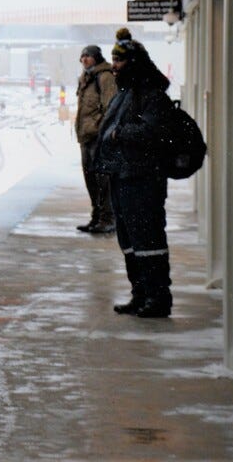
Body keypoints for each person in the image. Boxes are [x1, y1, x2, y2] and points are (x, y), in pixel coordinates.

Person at [93, 28, 174, 318]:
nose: (114, 65)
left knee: (148, 240)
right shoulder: (125, 94)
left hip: (143, 179)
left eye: (119, 60)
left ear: (134, 62)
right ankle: (140, 294)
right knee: (129, 241)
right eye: (113, 59)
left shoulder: (151, 95)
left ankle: (157, 298)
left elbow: (152, 131)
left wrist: (119, 134)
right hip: (122, 177)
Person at [74, 45, 116, 233]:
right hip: (86, 137)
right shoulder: (85, 78)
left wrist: (102, 130)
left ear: (97, 57)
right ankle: (96, 217)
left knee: (102, 180)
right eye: (82, 57)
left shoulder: (105, 77)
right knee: (90, 179)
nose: (84, 60)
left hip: (98, 137)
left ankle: (107, 218)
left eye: (88, 56)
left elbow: (109, 106)